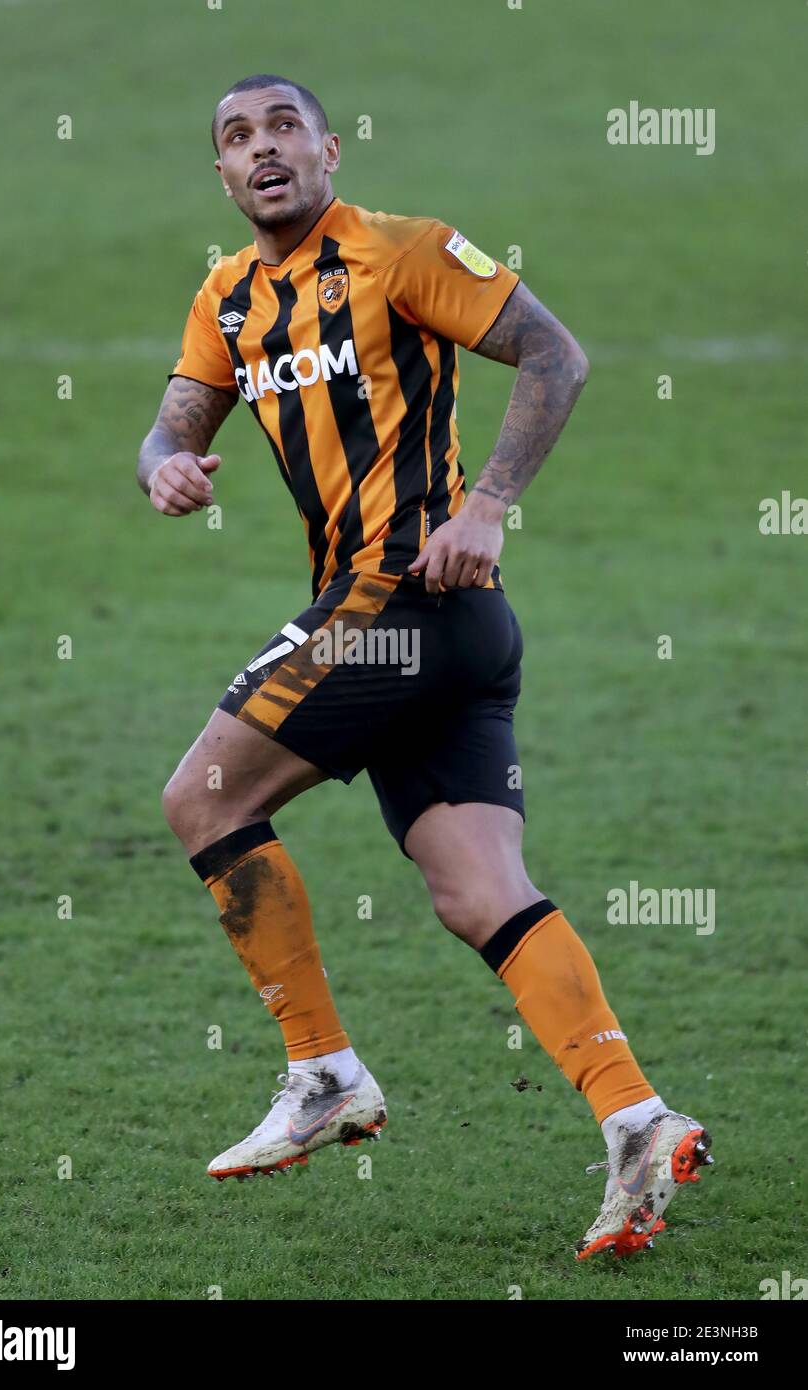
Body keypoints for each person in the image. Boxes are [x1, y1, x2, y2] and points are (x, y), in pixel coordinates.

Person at [136, 73, 712, 1258]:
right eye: (236, 138)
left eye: (282, 127)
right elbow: (176, 418)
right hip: (437, 632)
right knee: (477, 894)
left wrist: (489, 502)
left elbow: (555, 355)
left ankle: (321, 1069)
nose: (262, 150)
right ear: (222, 175)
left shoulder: (400, 253)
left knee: (202, 795)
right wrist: (163, 465)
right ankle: (635, 1120)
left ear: (329, 149)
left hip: (402, 598)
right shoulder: (228, 297)